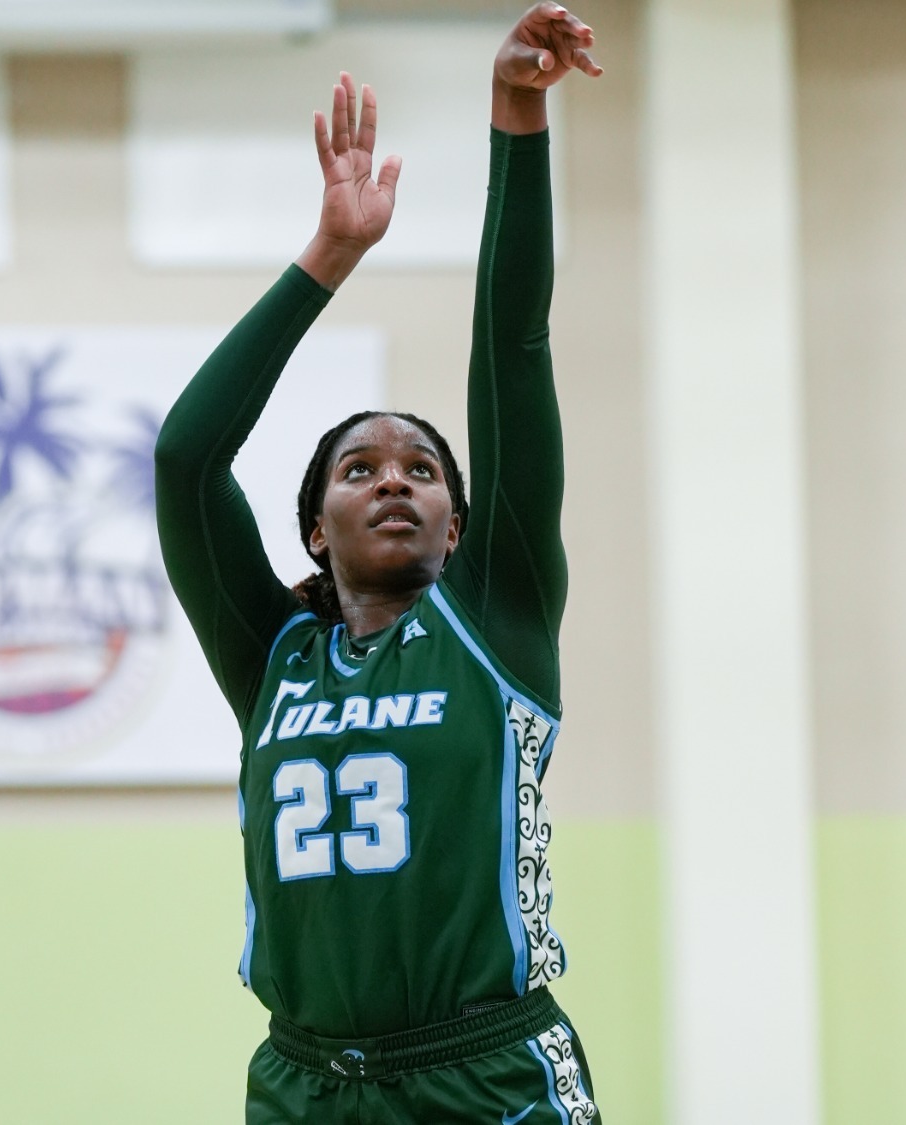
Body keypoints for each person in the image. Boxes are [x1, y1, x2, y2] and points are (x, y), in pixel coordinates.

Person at [153, 6, 605, 1122]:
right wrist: (327, 259)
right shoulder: (276, 658)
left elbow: (515, 341)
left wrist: (517, 113)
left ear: (459, 524)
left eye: (422, 469)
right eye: (358, 469)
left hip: (485, 1070)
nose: (395, 479)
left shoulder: (492, 618)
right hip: (305, 1082)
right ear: (313, 528)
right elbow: (183, 458)